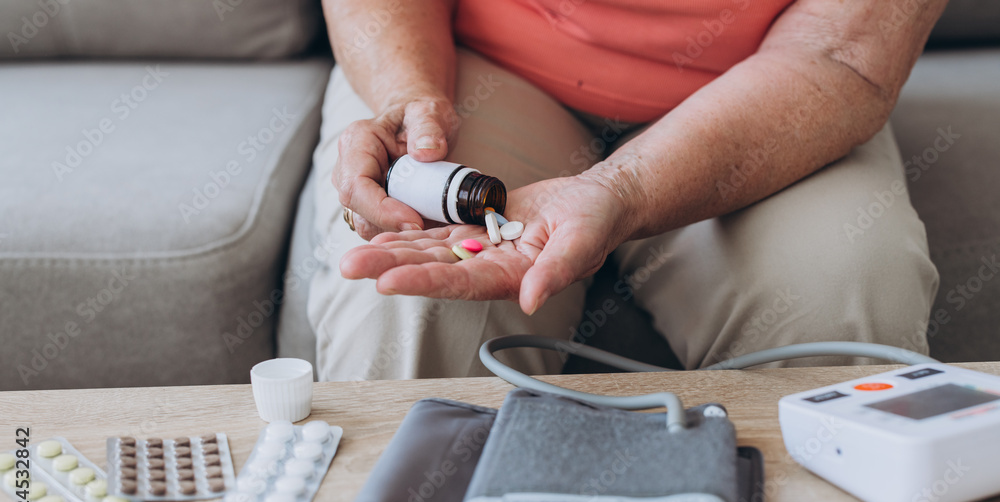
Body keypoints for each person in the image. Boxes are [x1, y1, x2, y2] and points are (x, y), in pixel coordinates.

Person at [308, 0, 945, 381]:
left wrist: (624, 188)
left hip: (768, 93)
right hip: (476, 62)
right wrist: (407, 94)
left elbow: (845, 53)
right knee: (405, 310)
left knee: (851, 288)